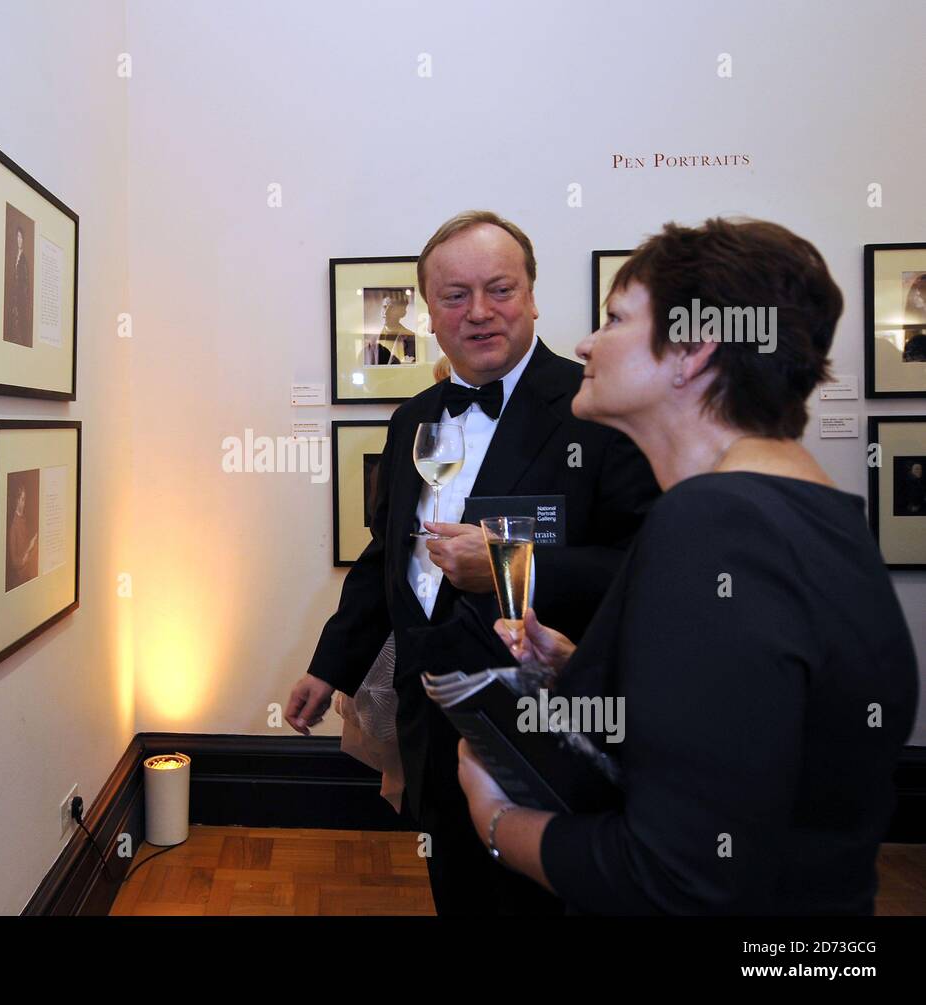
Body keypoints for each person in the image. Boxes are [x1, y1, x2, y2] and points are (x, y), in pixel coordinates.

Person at [456, 218, 919, 914]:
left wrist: (494, 821)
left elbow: (674, 878)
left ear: (693, 350)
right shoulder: (816, 514)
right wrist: (585, 664)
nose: (586, 341)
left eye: (614, 318)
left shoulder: (714, 524)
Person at [286, 210, 660, 916]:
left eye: (500, 289)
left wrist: (512, 566)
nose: (480, 312)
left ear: (533, 296)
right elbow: (387, 553)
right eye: (456, 295)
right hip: (431, 719)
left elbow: (643, 565)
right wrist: (329, 663)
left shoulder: (598, 410)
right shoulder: (412, 419)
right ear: (429, 311)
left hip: (550, 719)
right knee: (458, 890)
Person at [6, 484, 37, 589]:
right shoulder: (13, 526)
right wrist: (30, 547)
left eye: (25, 499)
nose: (24, 503)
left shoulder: (23, 519)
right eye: (23, 499)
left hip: (28, 569)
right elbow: (16, 563)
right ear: (17, 501)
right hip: (22, 575)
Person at [6, 227, 32, 345]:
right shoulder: (15, 257)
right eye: (17, 237)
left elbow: (25, 284)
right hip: (13, 300)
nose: (19, 240)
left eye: (21, 237)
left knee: (19, 326)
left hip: (20, 301)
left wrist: (21, 300)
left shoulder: (24, 260)